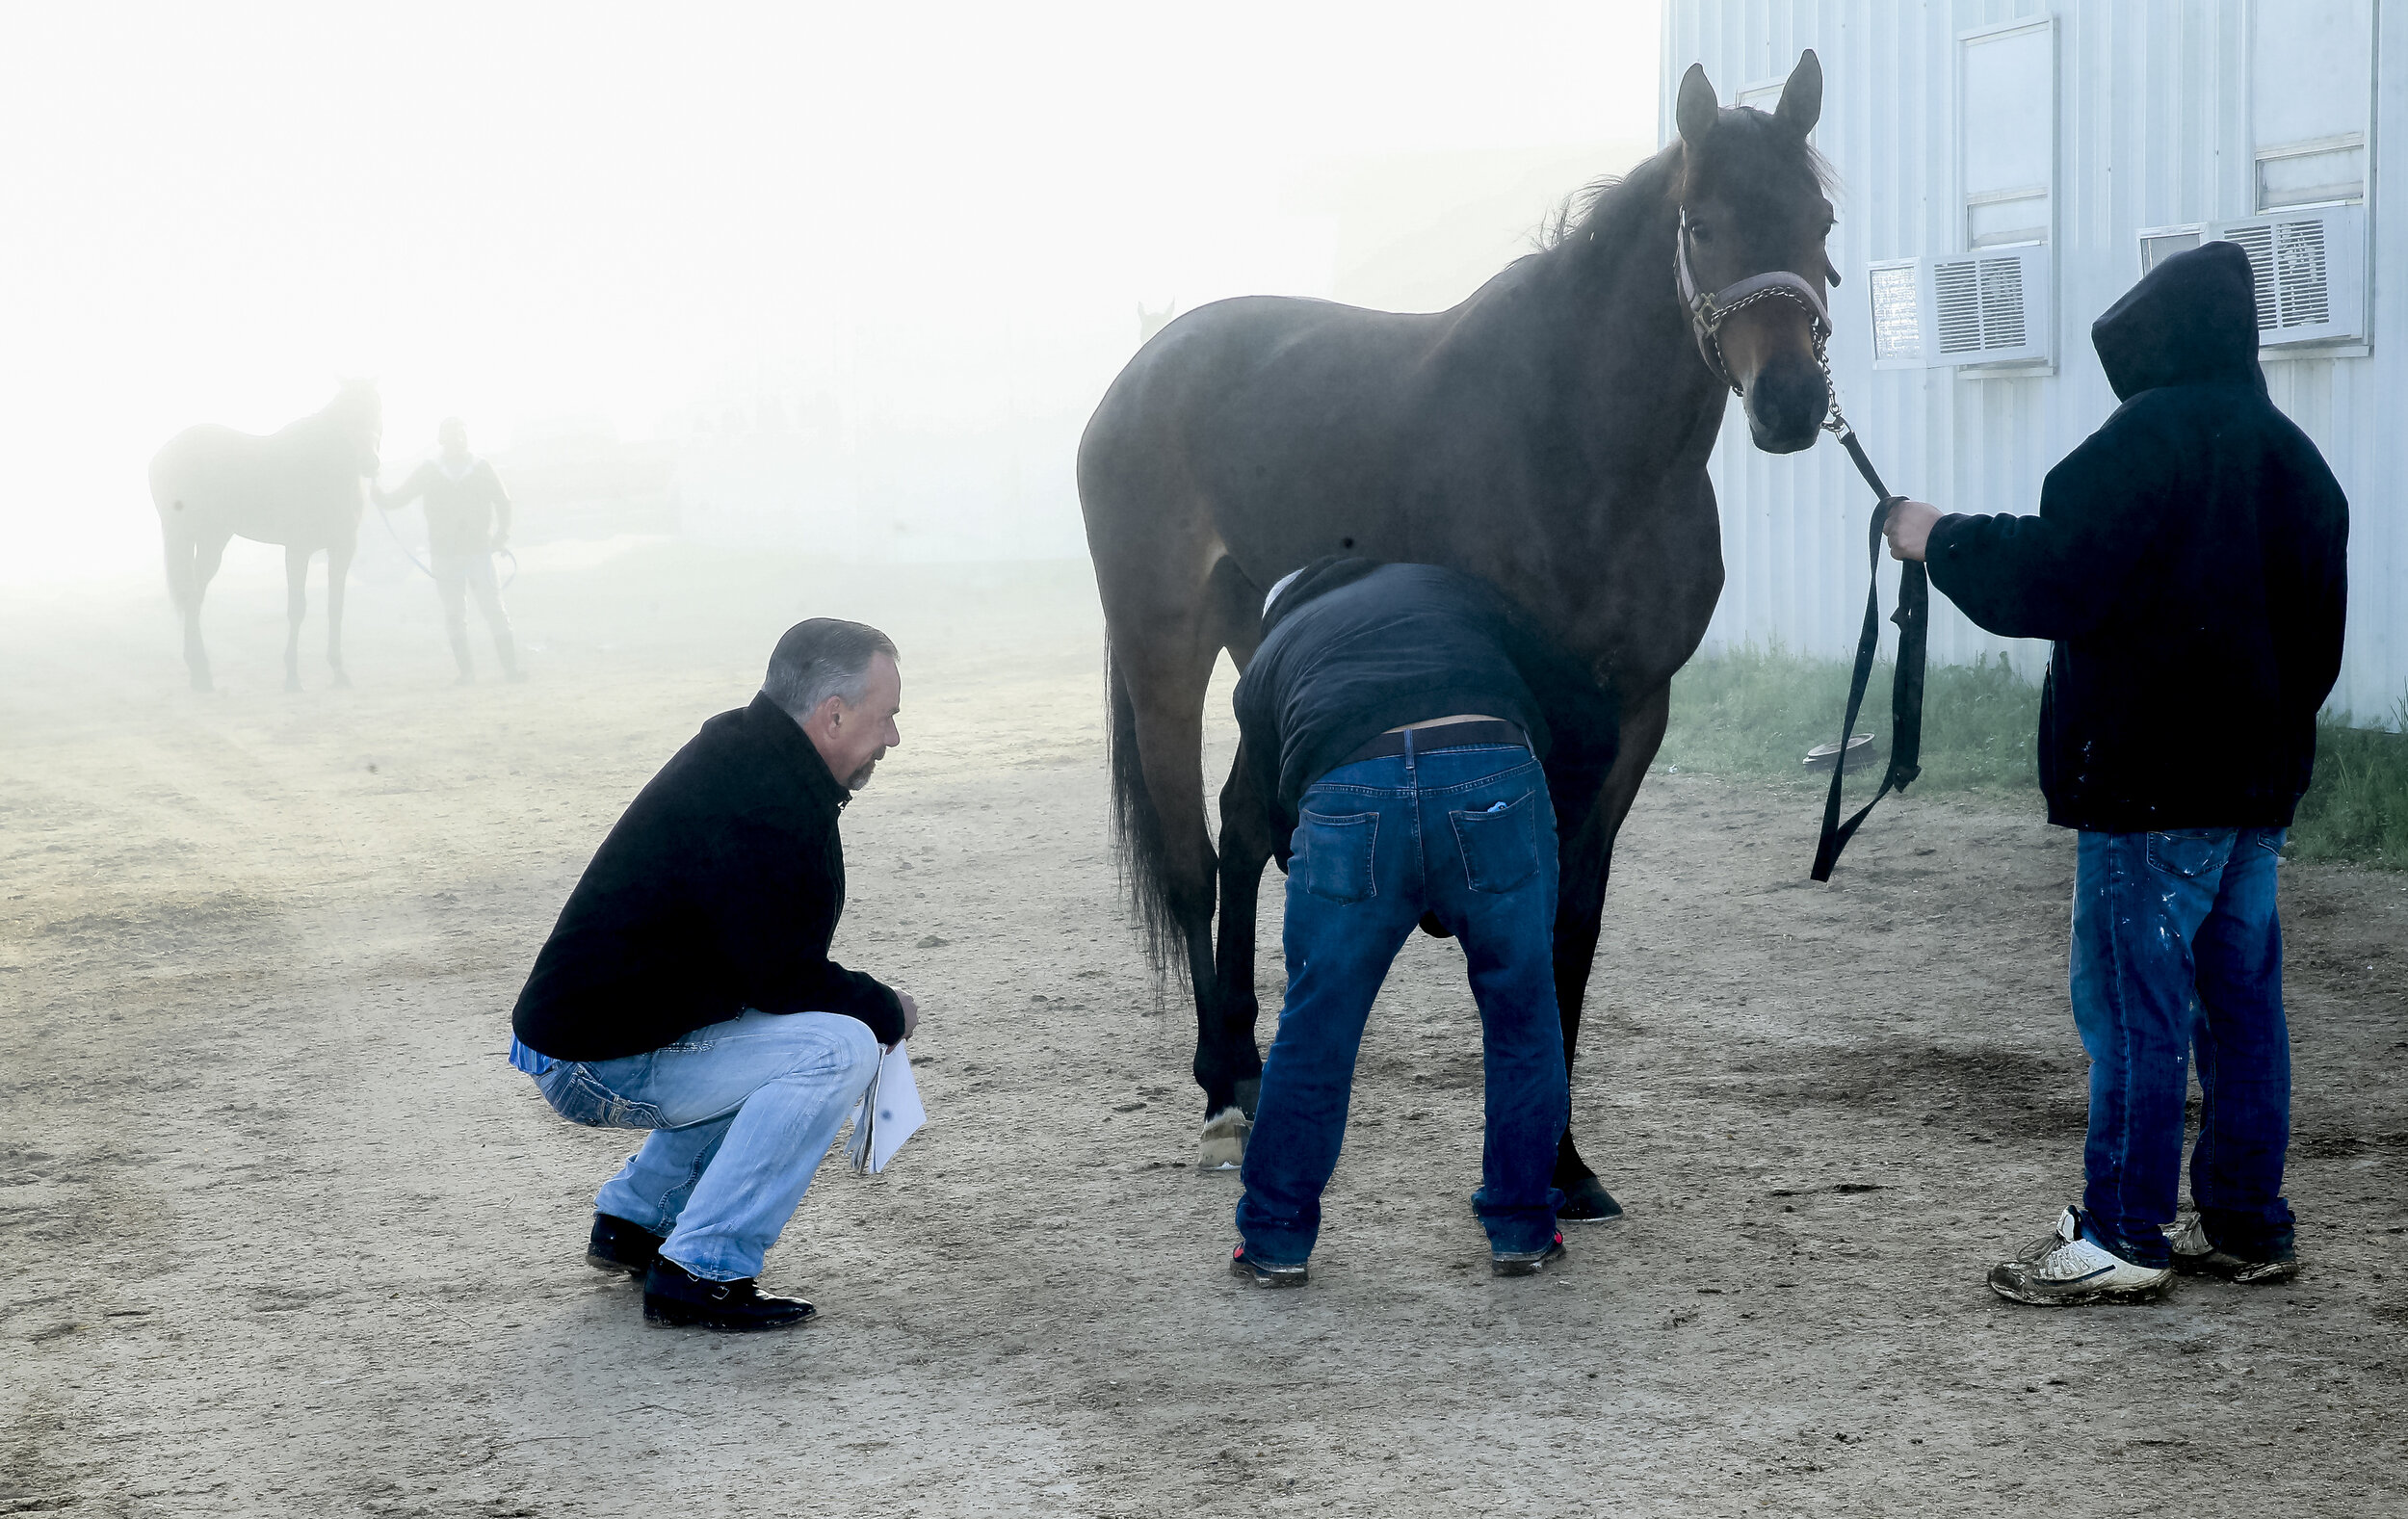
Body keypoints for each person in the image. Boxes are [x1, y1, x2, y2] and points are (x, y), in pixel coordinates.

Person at [1883, 241, 2348, 1306]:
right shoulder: (2297, 461)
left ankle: (2124, 1231)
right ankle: (2244, 1222)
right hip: (2255, 791)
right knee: (2240, 1008)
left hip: (2146, 791)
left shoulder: (2135, 443)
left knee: (2134, 1005)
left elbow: (2055, 576)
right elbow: (2315, 644)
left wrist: (1936, 536)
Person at [508, 618, 917, 1331]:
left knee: (788, 1038)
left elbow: (764, 974)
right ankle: (704, 1268)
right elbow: (779, 977)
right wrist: (886, 1008)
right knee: (839, 1046)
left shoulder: (753, 757)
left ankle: (638, 1219)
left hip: (592, 1032)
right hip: (588, 1058)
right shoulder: (767, 795)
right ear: (834, 713)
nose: (893, 738)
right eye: (887, 718)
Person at [1225, 557, 1617, 1287]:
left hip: (1348, 787)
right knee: (1523, 1012)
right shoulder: (1451, 585)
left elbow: (1278, 815)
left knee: (1316, 1027)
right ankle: (1523, 1225)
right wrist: (1549, 822)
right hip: (1490, 767)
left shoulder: (1272, 657)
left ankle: (1276, 1240)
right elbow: (1586, 707)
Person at [375, 417, 521, 683]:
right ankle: (467, 675)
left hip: (479, 553)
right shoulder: (430, 470)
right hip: (445, 555)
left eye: (461, 435)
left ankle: (510, 671)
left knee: (494, 611)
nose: (458, 440)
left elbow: (504, 502)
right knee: (455, 616)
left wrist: (502, 534)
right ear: (442, 440)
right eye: (452, 436)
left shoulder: (481, 467)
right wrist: (378, 495)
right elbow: (398, 498)